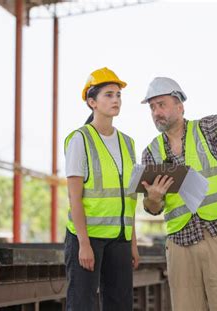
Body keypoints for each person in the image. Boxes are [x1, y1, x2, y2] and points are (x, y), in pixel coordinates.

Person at [140, 76, 217, 311]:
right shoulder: (150, 153)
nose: (156, 112)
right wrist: (153, 199)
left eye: (161, 104)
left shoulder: (205, 131)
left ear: (179, 106)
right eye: (152, 107)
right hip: (180, 244)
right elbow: (153, 208)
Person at [64, 67, 139, 311]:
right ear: (92, 102)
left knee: (120, 305)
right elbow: (74, 197)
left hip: (120, 239)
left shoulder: (128, 143)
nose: (116, 99)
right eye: (109, 94)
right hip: (88, 238)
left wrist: (133, 242)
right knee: (82, 304)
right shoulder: (80, 139)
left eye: (118, 95)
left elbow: (129, 197)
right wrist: (83, 243)